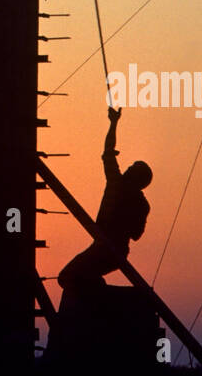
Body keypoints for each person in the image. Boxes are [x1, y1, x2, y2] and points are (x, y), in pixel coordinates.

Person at [58, 106, 152, 296]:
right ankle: (99, 293)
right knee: (73, 278)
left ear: (137, 178)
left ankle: (105, 299)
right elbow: (108, 152)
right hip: (106, 249)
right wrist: (114, 123)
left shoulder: (123, 190)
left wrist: (114, 123)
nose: (126, 169)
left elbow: (108, 152)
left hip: (110, 251)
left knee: (68, 277)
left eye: (131, 169)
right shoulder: (128, 193)